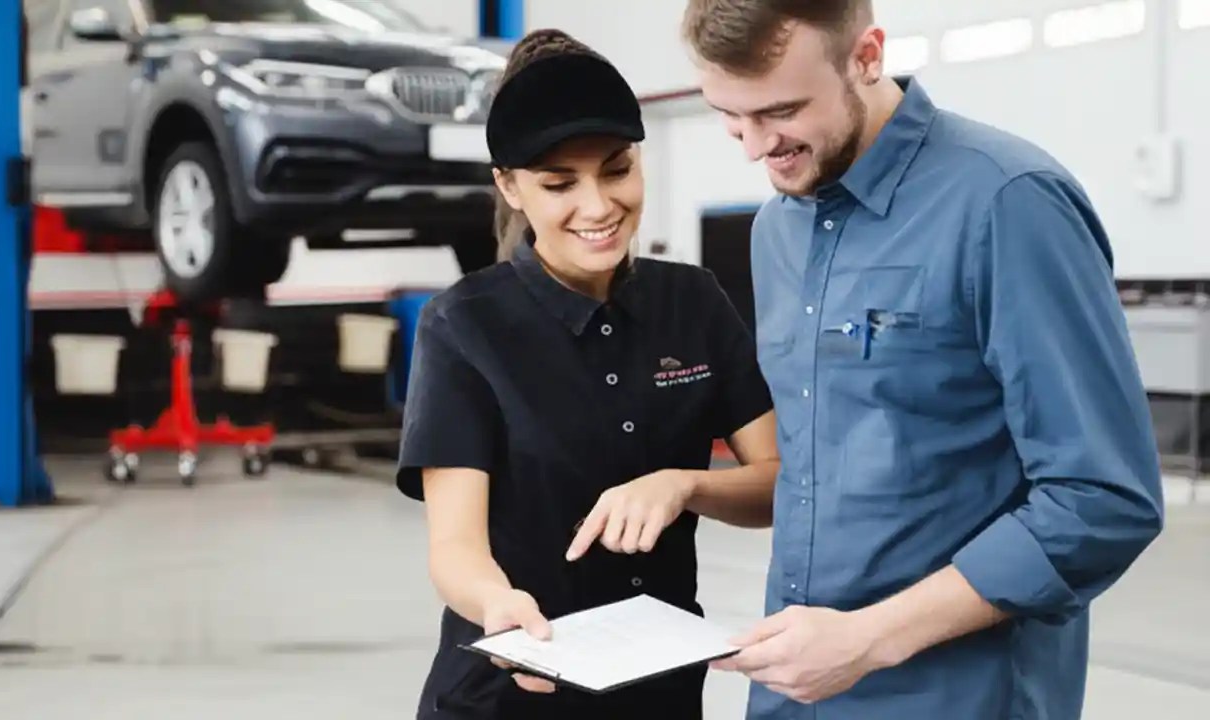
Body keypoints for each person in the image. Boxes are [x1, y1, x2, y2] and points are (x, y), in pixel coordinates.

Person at [678, 1, 1166, 719]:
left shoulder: (1008, 202)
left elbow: (1103, 498)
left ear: (867, 57)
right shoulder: (778, 229)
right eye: (730, 115)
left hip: (958, 697)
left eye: (781, 111)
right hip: (797, 687)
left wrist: (867, 640)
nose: (754, 146)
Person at [395, 28, 781, 720]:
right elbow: (454, 547)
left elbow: (780, 485)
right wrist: (496, 603)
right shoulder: (463, 327)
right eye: (559, 184)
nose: (598, 206)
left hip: (659, 694)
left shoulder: (693, 303)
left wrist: (685, 485)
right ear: (509, 186)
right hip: (506, 698)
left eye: (616, 170)